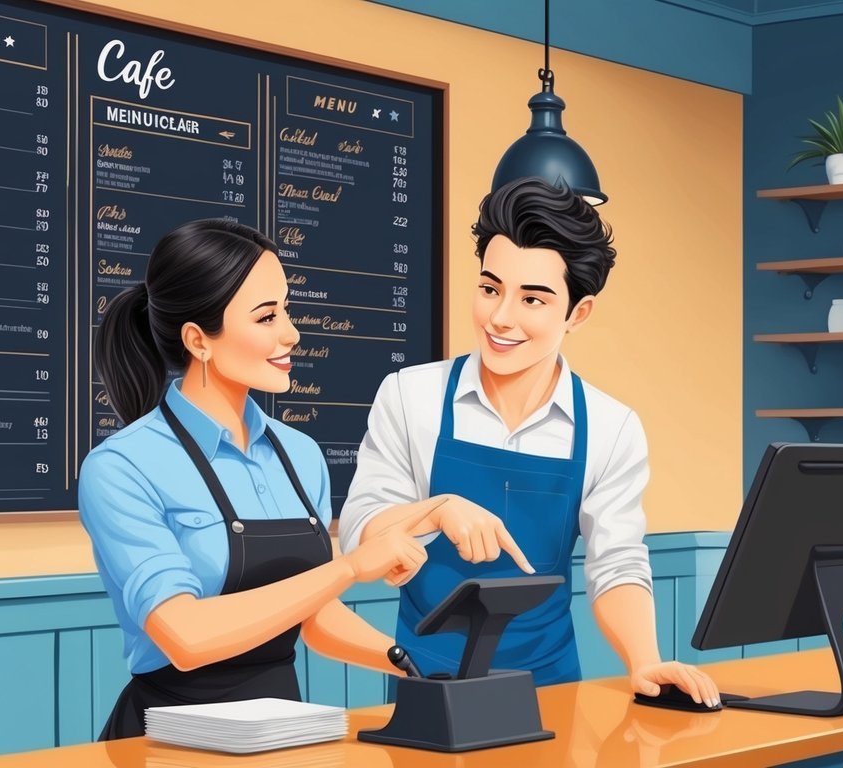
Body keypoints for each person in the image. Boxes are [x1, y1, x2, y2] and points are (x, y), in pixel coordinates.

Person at [339, 178, 720, 706]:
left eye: (532, 299)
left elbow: (617, 561)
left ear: (577, 313)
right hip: (422, 689)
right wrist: (436, 511)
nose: (500, 318)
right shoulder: (410, 397)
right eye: (490, 289)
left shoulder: (611, 428)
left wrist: (645, 660)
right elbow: (361, 534)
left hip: (553, 693)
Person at [79, 219, 441, 740]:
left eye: (286, 309)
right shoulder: (121, 467)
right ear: (198, 340)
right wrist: (351, 568)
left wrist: (413, 664)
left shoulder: (300, 454)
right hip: (169, 741)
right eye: (267, 316)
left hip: (280, 733)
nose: (291, 333)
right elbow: (185, 636)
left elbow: (311, 617)